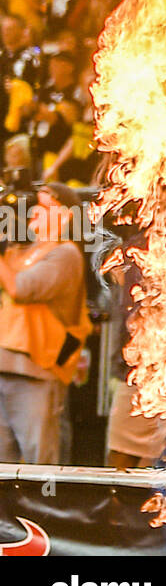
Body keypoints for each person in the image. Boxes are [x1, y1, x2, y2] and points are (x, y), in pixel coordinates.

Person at [0, 182, 92, 464]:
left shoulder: (65, 254)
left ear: (65, 216)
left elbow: (21, 288)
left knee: (40, 464)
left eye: (43, 206)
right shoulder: (20, 251)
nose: (33, 212)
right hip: (5, 367)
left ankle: (42, 509)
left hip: (37, 372)